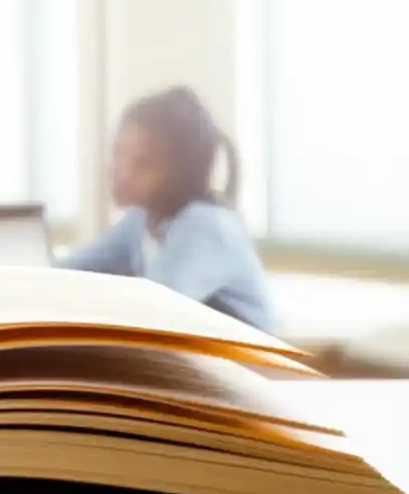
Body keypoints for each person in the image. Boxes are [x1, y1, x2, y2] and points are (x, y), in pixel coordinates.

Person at [59, 87, 272, 331]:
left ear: (183, 174)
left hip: (248, 364)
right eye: (119, 153)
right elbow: (70, 273)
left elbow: (154, 312)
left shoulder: (205, 226)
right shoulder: (139, 221)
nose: (121, 172)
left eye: (142, 163)